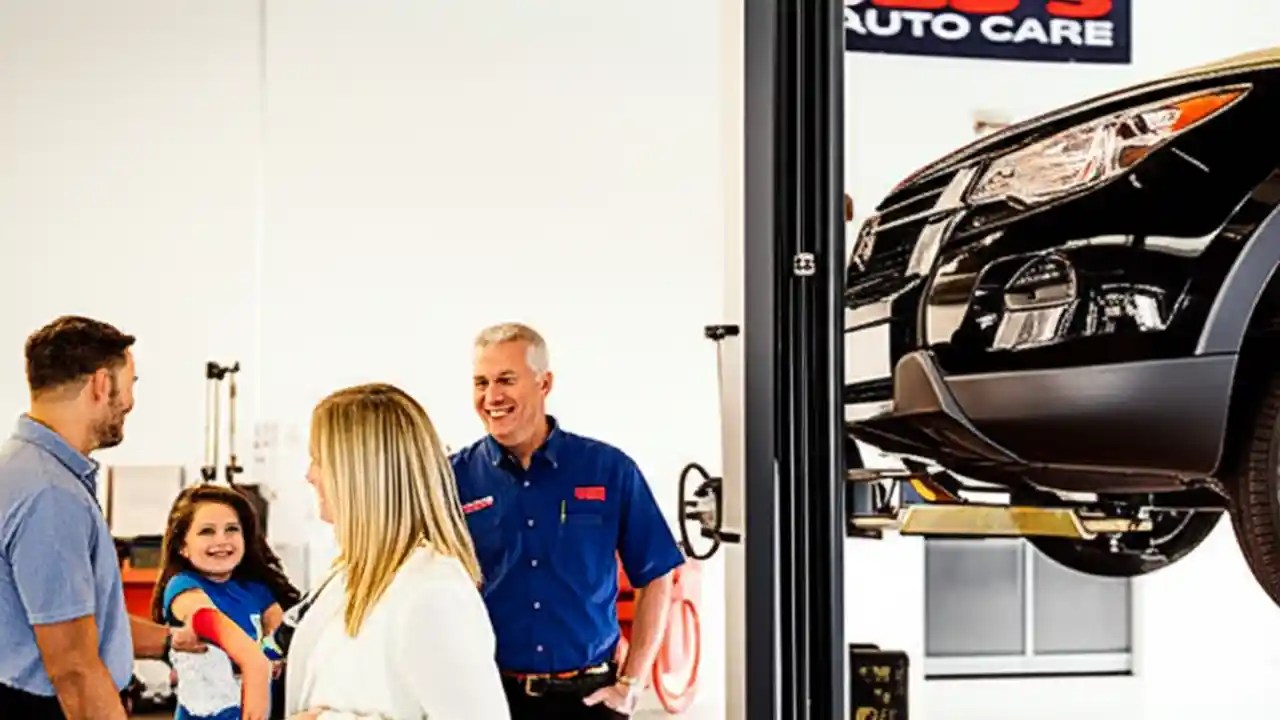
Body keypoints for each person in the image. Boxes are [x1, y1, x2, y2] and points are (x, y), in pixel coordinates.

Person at [452, 322, 686, 719]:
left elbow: (657, 573)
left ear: (544, 383)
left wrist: (631, 683)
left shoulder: (608, 469)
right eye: (480, 382)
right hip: (491, 699)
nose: (492, 397)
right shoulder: (453, 479)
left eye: (506, 380)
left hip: (588, 698)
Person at [0, 315, 205, 719]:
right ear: (101, 383)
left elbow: (74, 621)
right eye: (131, 383)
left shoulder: (22, 469)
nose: (130, 402)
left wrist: (171, 641)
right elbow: (74, 668)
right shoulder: (51, 494)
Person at [284, 382, 511, 720]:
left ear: (361, 473)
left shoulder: (433, 591)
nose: (310, 474)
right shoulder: (351, 573)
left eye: (320, 459)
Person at [152, 484, 302, 720]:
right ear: (183, 546)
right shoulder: (183, 587)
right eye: (207, 532)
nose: (221, 540)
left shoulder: (258, 590)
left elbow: (280, 638)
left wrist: (275, 655)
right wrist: (255, 661)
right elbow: (205, 618)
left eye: (231, 529)